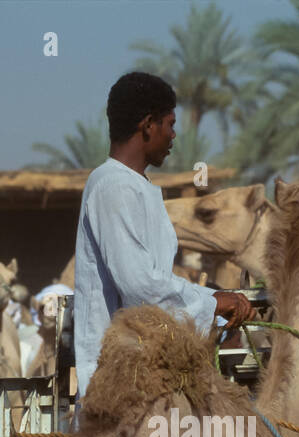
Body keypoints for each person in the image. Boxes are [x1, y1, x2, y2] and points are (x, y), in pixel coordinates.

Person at [73, 71, 254, 397]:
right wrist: (213, 302)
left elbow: (154, 283)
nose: (173, 135)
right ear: (147, 125)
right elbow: (140, 285)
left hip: (149, 373)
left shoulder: (137, 187)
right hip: (118, 383)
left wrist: (218, 316)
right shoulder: (112, 185)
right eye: (169, 124)